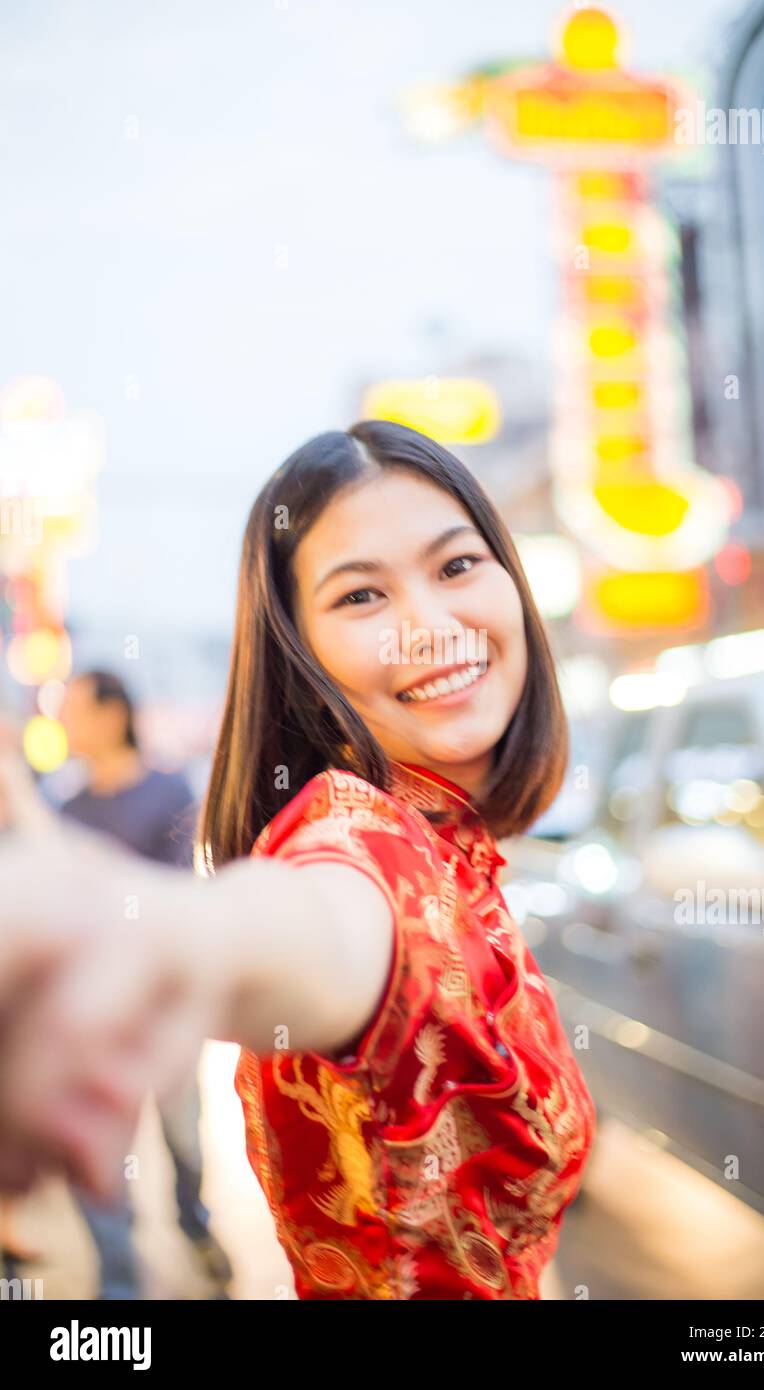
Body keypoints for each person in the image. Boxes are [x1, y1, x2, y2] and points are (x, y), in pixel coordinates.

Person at [0, 420, 596, 1300]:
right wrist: (135, 938)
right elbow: (296, 926)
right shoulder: (360, 845)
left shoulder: (448, 837)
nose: (427, 627)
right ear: (300, 655)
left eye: (457, 566)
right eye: (361, 598)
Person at [56, 670, 233, 1298]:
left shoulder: (166, 791)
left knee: (183, 1135)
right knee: (99, 1151)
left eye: (74, 709)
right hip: (94, 1017)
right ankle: (119, 1284)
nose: (65, 723)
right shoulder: (67, 808)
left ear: (112, 715)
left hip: (163, 1007)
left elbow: (183, 896)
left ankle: (195, 1223)